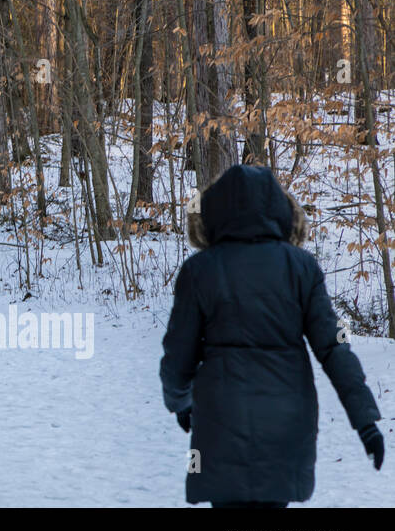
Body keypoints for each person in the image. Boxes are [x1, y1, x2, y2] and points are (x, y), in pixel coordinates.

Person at [161, 164, 383, 508]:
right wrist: (365, 419)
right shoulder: (302, 267)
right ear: (281, 210)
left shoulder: (199, 270)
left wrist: (181, 402)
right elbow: (334, 346)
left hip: (220, 421)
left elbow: (177, 356)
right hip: (287, 423)